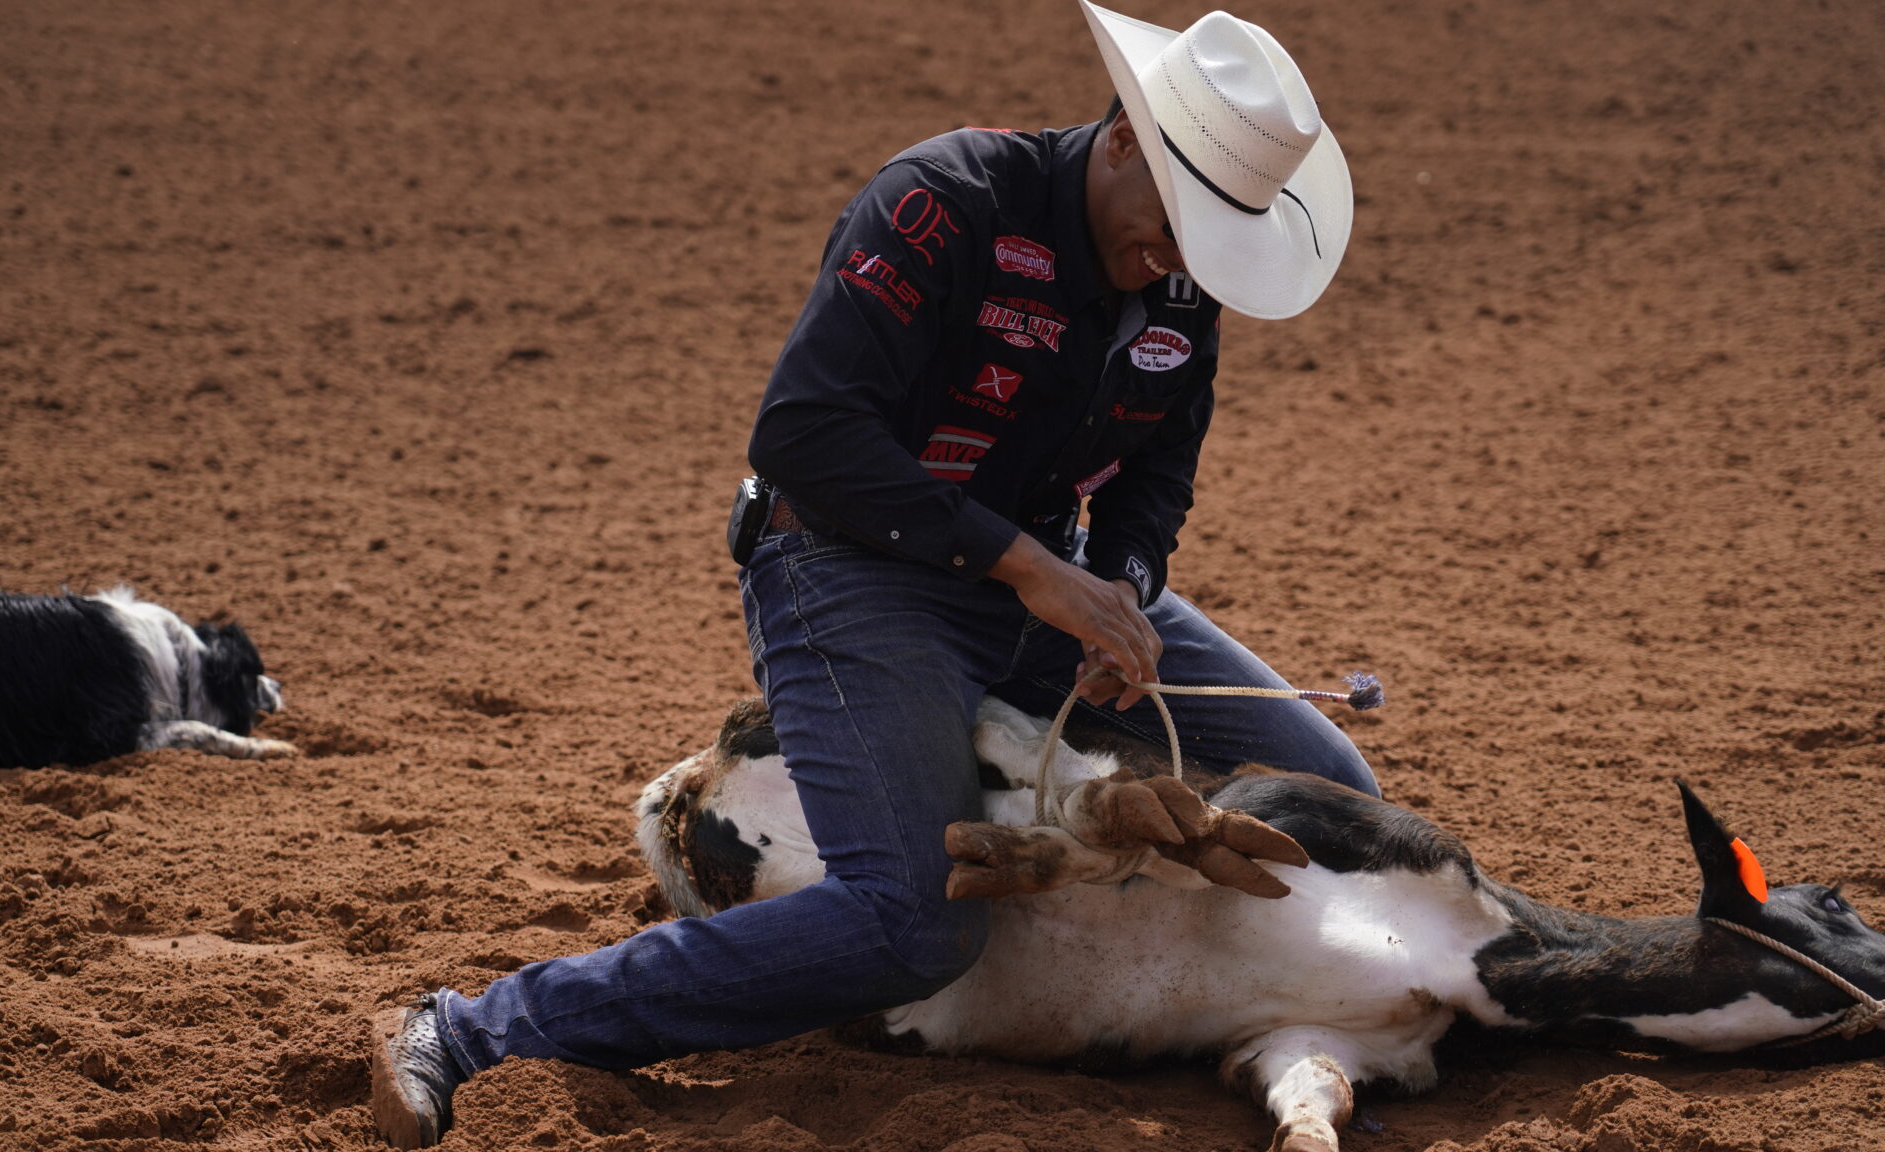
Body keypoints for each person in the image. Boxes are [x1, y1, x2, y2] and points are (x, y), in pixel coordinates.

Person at [371, 3, 1372, 1145]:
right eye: (1176, 224)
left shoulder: (1181, 293)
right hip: (846, 565)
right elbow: (803, 435)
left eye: (1214, 239)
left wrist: (1123, 595)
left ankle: (1215, 1016)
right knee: (910, 922)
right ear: (1124, 138)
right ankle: (469, 1030)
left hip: (1039, 576)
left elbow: (1153, 477)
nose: (1184, 260)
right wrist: (1035, 571)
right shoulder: (944, 201)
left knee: (1334, 799)